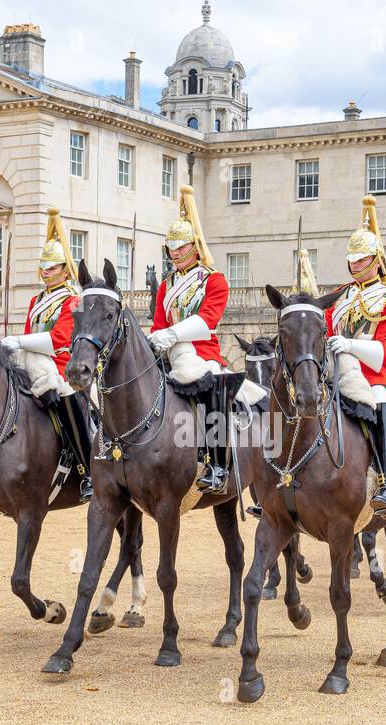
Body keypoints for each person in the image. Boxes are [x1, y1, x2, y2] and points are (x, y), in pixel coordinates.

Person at [147, 185, 243, 496]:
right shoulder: (166, 285)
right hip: (169, 353)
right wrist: (159, 337)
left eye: (181, 247)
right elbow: (160, 323)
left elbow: (207, 321)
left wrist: (172, 334)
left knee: (212, 384)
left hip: (203, 352)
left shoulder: (214, 279)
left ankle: (215, 464)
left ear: (194, 245)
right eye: (171, 248)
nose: (175, 253)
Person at [1, 207, 95, 500]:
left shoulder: (74, 300)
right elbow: (30, 333)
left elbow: (59, 339)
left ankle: (86, 469)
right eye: (43, 266)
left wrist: (21, 341)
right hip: (34, 361)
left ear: (66, 270)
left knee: (68, 402)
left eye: (52, 267)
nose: (45, 271)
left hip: (64, 364)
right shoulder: (35, 300)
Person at [324, 194, 386, 517]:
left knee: (379, 403)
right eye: (352, 260)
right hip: (336, 372)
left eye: (361, 260)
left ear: (376, 260)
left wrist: (351, 346)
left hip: (372, 376)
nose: (355, 265)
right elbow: (327, 330)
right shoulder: (341, 297)